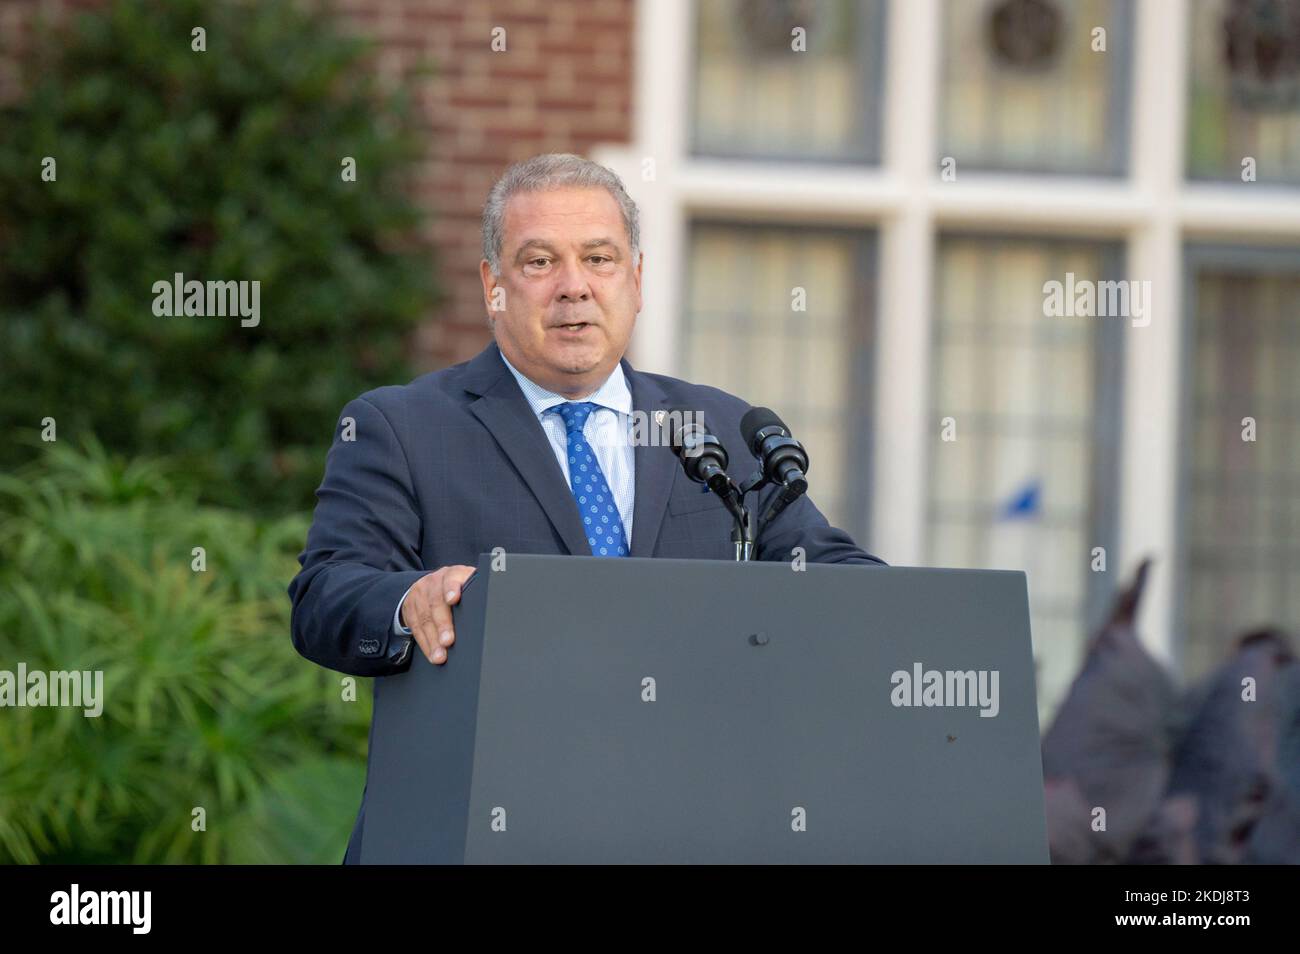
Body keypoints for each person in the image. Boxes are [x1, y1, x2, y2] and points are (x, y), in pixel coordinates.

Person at [286, 152, 885, 863]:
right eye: (539, 262)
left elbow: (842, 580)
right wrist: (408, 597)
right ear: (493, 286)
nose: (574, 288)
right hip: (475, 835)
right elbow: (324, 595)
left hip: (686, 834)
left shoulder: (722, 430)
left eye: (599, 259)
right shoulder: (403, 427)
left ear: (635, 278)